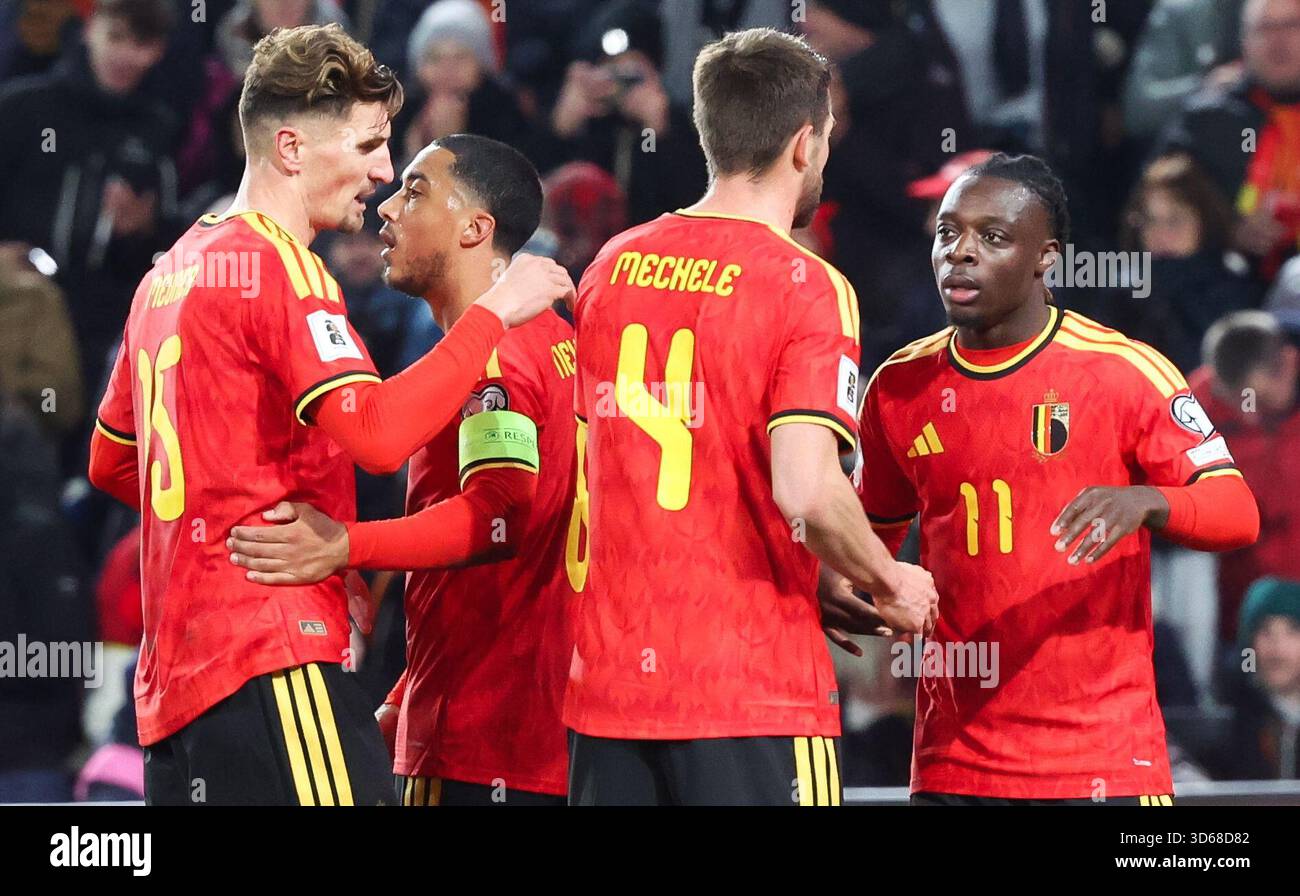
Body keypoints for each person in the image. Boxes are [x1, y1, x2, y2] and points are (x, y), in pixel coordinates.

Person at [87, 24, 572, 806]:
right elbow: (379, 438)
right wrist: (493, 312)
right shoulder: (284, 269)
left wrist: (221, 513)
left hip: (175, 689)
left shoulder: (166, 274)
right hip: (274, 652)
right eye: (371, 145)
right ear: (291, 148)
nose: (381, 173)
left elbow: (112, 463)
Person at [564, 28, 938, 807]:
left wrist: (818, 569)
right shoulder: (804, 283)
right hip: (746, 688)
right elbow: (806, 489)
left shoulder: (611, 264)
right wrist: (885, 575)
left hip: (609, 691)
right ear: (805, 143)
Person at [847, 152, 1259, 805]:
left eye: (993, 237)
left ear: (1047, 258)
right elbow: (871, 528)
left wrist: (1149, 500)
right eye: (948, 232)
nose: (960, 253)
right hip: (955, 764)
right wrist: (862, 586)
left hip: (1100, 761)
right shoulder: (899, 386)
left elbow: (1237, 511)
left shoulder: (1122, 372)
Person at [225, 135, 578, 807]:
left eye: (415, 192)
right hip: (538, 731)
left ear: (477, 228)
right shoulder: (556, 346)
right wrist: (409, 694)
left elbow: (498, 517)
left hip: (487, 744)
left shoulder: (494, 358)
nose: (386, 207)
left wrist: (342, 544)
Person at [1160, 0, 1300, 280]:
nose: (1278, 41)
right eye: (1265, 29)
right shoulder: (1207, 118)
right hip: (1222, 284)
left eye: (1291, 26)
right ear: (1244, 42)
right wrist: (1230, 231)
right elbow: (1155, 207)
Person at [1190, 311, 1300, 649]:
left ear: (1287, 362)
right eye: (1235, 398)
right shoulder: (1195, 404)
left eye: (1251, 398)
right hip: (1236, 596)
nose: (1245, 411)